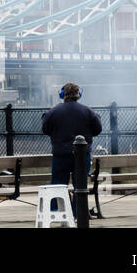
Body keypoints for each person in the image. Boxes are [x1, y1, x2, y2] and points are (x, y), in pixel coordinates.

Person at [41, 81, 102, 219]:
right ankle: (78, 214)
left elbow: (45, 128)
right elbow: (98, 129)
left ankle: (56, 213)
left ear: (62, 95)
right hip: (82, 155)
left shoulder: (53, 112)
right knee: (80, 186)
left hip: (60, 155)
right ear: (78, 95)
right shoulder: (88, 111)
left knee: (58, 185)